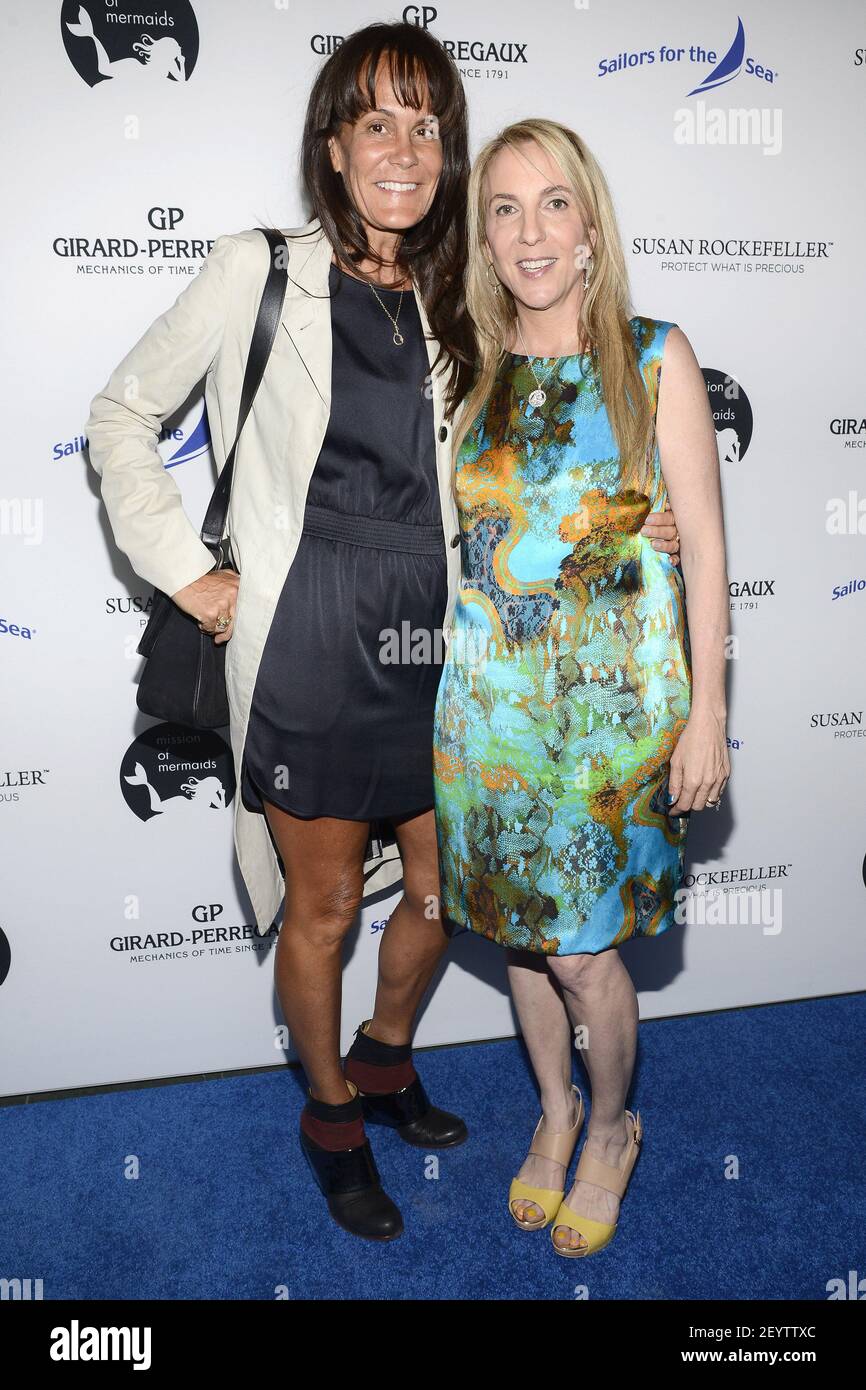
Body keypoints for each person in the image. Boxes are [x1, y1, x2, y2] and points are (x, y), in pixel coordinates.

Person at [86, 26, 681, 1243]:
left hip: (446, 645)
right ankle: (328, 1116)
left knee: (432, 888)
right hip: (305, 625)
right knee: (320, 912)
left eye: (426, 125)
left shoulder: (464, 292)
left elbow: (543, 445)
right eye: (378, 123)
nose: (404, 150)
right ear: (334, 145)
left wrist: (638, 516)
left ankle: (385, 1057)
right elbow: (118, 417)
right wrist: (197, 580)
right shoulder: (256, 269)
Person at [432, 118, 730, 1257]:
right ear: (485, 238)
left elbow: (700, 546)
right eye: (503, 209)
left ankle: (610, 1125)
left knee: (583, 952)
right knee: (519, 940)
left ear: (590, 224)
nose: (528, 230)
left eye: (552, 203)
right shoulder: (468, 366)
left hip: (610, 727)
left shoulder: (656, 356)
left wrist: (708, 712)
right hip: (487, 713)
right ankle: (551, 1113)